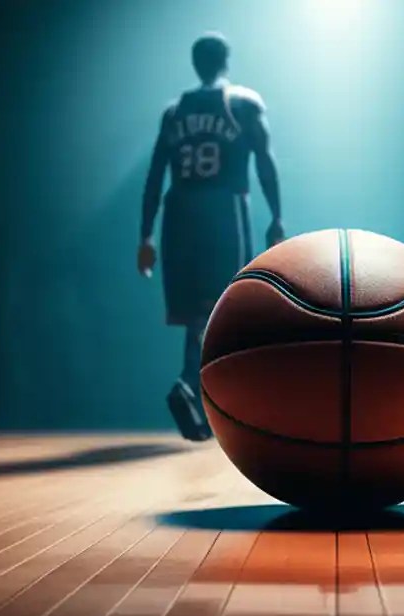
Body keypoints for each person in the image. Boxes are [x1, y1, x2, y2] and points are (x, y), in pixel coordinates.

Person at [139, 32, 285, 441]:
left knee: (198, 314)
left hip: (179, 211)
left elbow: (153, 177)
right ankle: (203, 389)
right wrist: (277, 216)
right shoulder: (243, 103)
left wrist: (145, 236)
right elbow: (266, 163)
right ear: (226, 60)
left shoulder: (174, 112)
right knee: (228, 307)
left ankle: (201, 398)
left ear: (194, 63)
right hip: (223, 208)